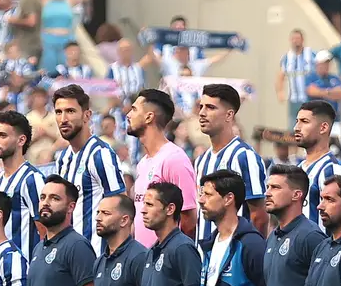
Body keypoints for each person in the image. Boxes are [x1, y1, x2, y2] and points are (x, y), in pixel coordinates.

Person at [50, 84, 125, 250]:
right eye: (58, 112)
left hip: (96, 256)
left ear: (87, 115)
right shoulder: (63, 159)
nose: (63, 119)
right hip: (68, 256)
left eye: (70, 111)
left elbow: (121, 207)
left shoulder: (100, 154)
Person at [191, 83, 268, 243]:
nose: (202, 113)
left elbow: (259, 216)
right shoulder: (201, 160)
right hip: (205, 259)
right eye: (201, 106)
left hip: (235, 259)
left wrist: (249, 256)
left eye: (211, 107)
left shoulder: (244, 156)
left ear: (229, 115)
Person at [127, 88, 198, 246]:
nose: (128, 115)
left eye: (134, 109)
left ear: (149, 116)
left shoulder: (174, 159)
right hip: (144, 260)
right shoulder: (143, 163)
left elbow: (189, 219)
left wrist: (173, 255)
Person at [0, 109, 47, 257]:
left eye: (2, 135)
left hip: (25, 273)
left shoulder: (32, 179)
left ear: (21, 140)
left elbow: (46, 232)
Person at [291, 101, 341, 227]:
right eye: (297, 121)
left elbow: (338, 219)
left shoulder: (331, 169)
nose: (296, 127)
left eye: (304, 121)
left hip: (319, 245)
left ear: (323, 128)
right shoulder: (298, 169)